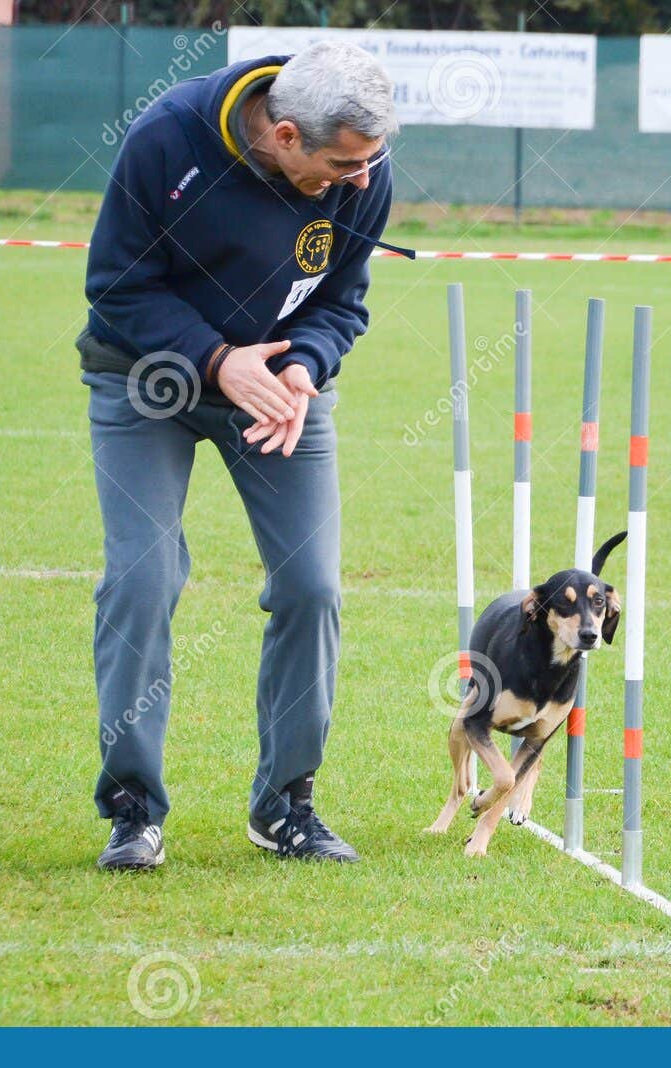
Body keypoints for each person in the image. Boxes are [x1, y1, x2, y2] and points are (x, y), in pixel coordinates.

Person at [77, 42, 406, 870]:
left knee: (312, 584)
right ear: (286, 135)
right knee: (143, 579)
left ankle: (285, 805)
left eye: (371, 160)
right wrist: (218, 360)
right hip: (145, 379)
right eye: (345, 163)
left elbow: (341, 299)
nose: (362, 180)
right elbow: (115, 283)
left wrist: (306, 365)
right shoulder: (167, 139)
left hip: (278, 392)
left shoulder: (364, 173)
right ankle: (133, 809)